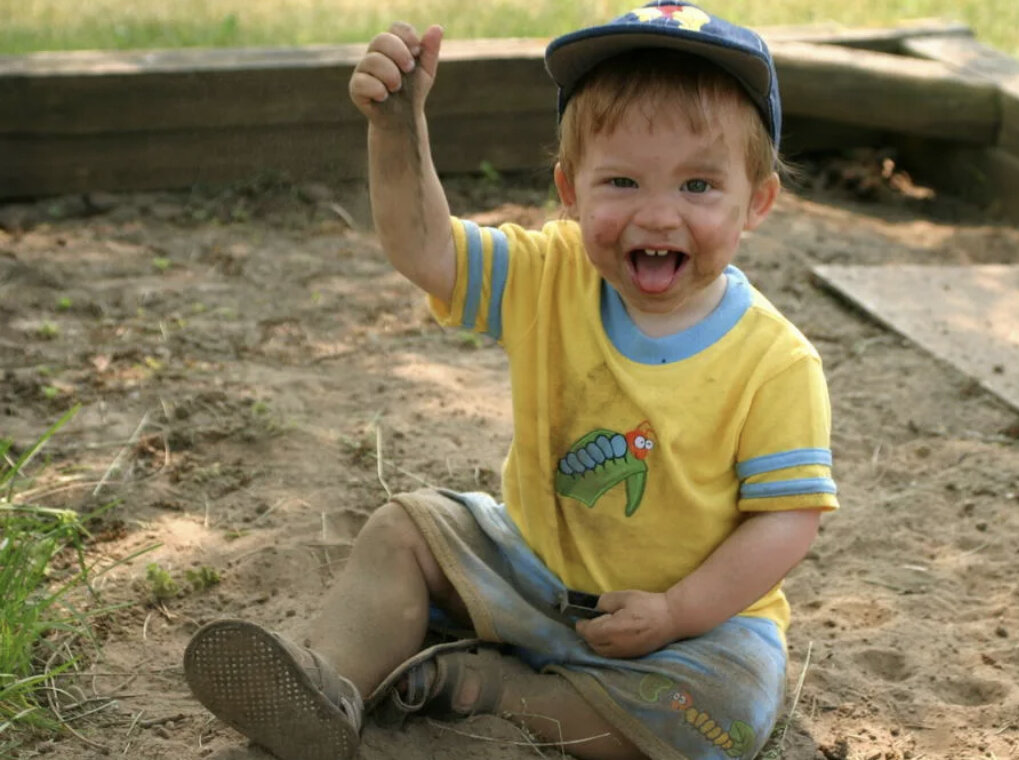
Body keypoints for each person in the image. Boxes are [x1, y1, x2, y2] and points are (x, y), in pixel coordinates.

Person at [182, 2, 838, 759]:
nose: (657, 216)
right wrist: (397, 128)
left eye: (698, 186)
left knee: (720, 713)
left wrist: (676, 611)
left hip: (689, 628)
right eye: (621, 181)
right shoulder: (548, 274)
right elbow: (426, 249)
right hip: (530, 576)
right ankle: (328, 689)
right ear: (570, 188)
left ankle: (485, 689)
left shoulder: (776, 362)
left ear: (756, 199)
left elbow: (787, 520)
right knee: (405, 529)